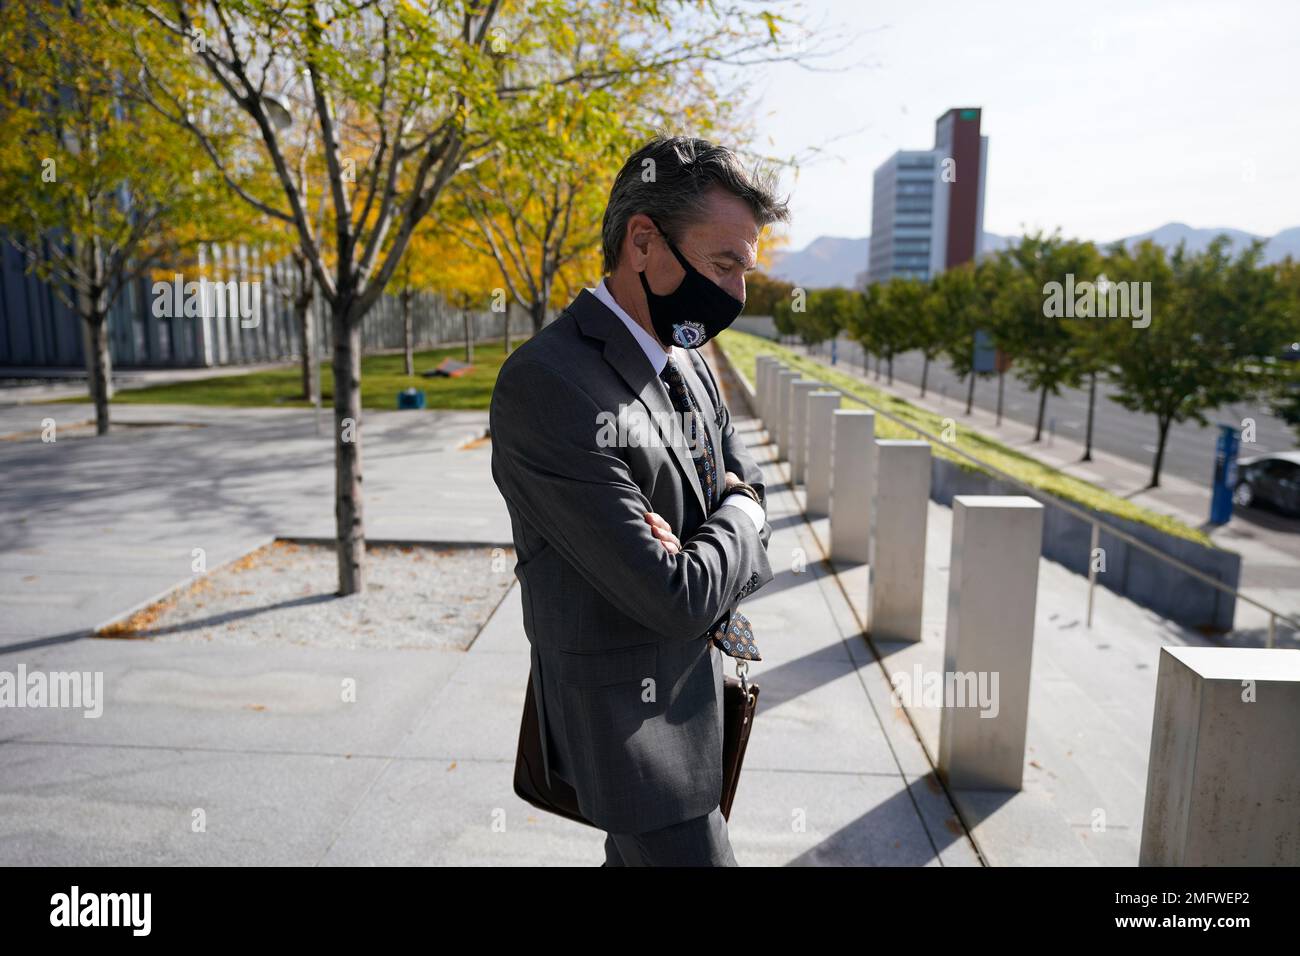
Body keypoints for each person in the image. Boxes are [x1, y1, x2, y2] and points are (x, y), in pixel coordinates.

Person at [489, 135, 789, 865]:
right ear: (644, 242)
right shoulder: (548, 384)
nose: (735, 295)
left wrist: (726, 519)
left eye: (743, 272)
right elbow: (676, 594)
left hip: (698, 704)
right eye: (722, 265)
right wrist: (739, 517)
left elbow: (746, 487)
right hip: (629, 734)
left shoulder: (689, 360)